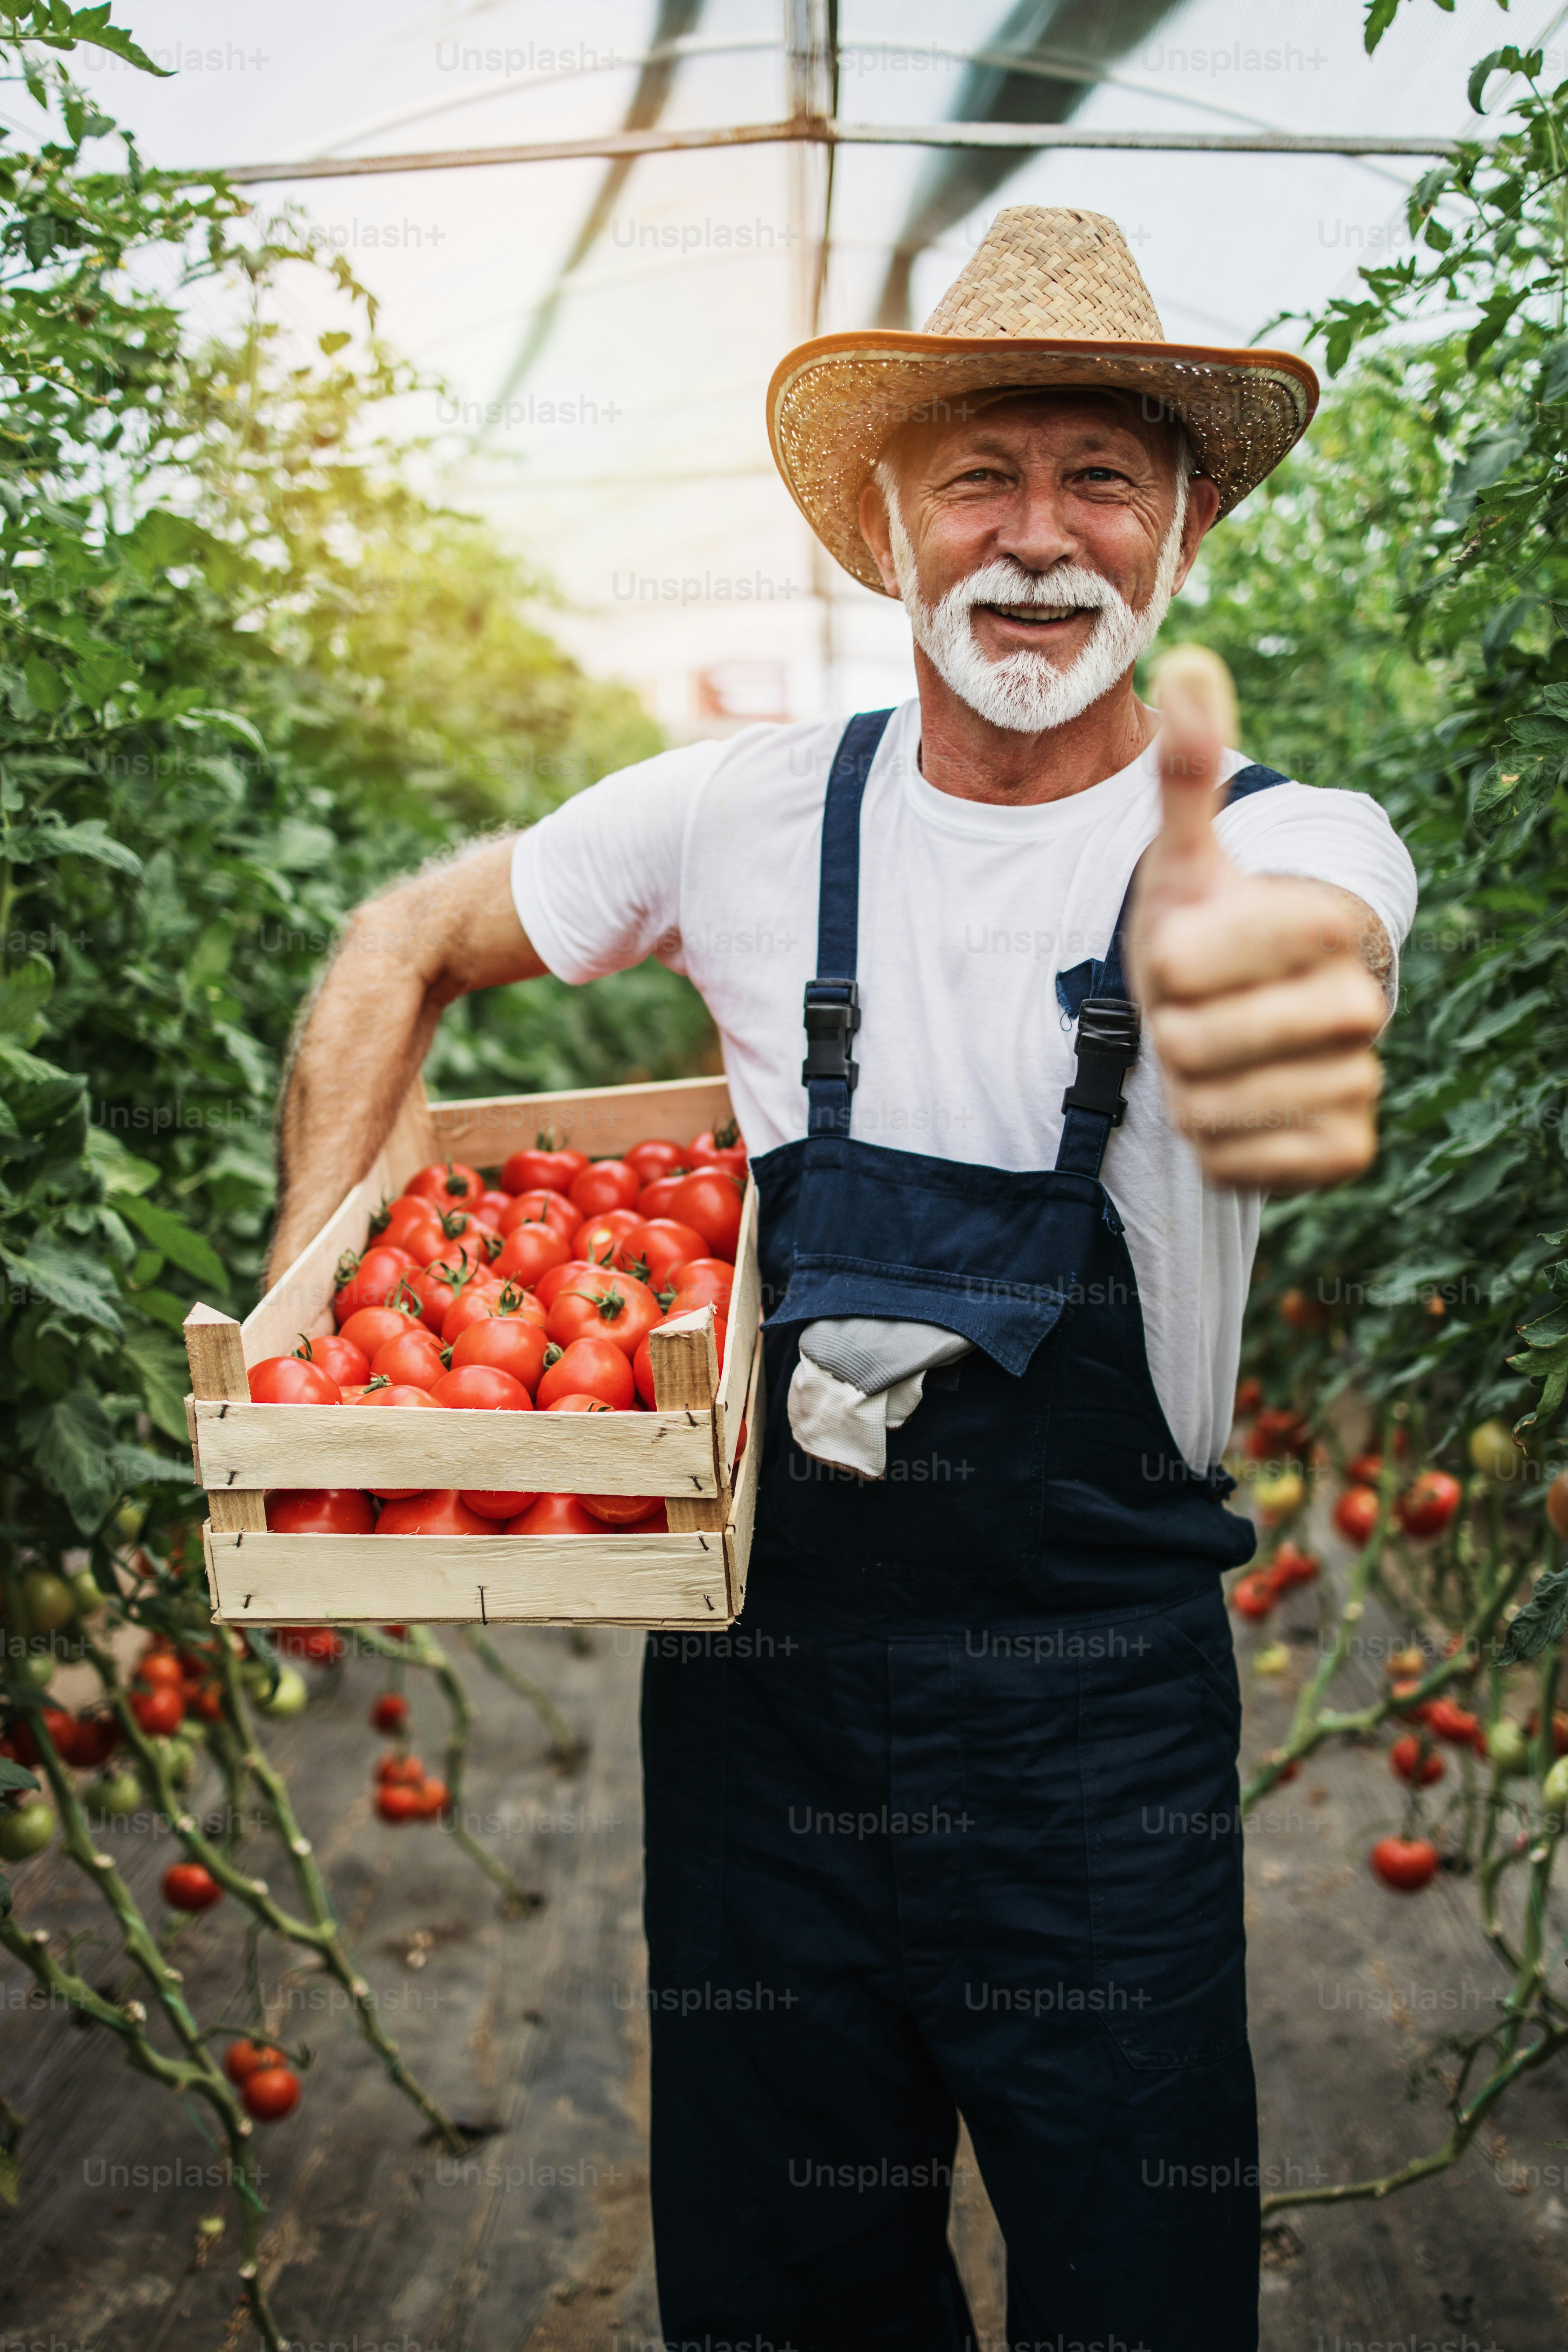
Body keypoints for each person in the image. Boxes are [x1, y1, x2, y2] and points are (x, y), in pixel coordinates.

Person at [270, 209, 1416, 2350]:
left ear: (1176, 533)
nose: (1038, 538)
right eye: (981, 474)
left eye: (1101, 476)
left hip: (1096, 1738)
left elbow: (1314, 950)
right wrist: (307, 1319)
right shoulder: (736, 814)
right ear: (887, 526)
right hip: (762, 1718)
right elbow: (398, 944)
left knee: (1137, 2291)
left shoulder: (1288, 832)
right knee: (793, 2295)